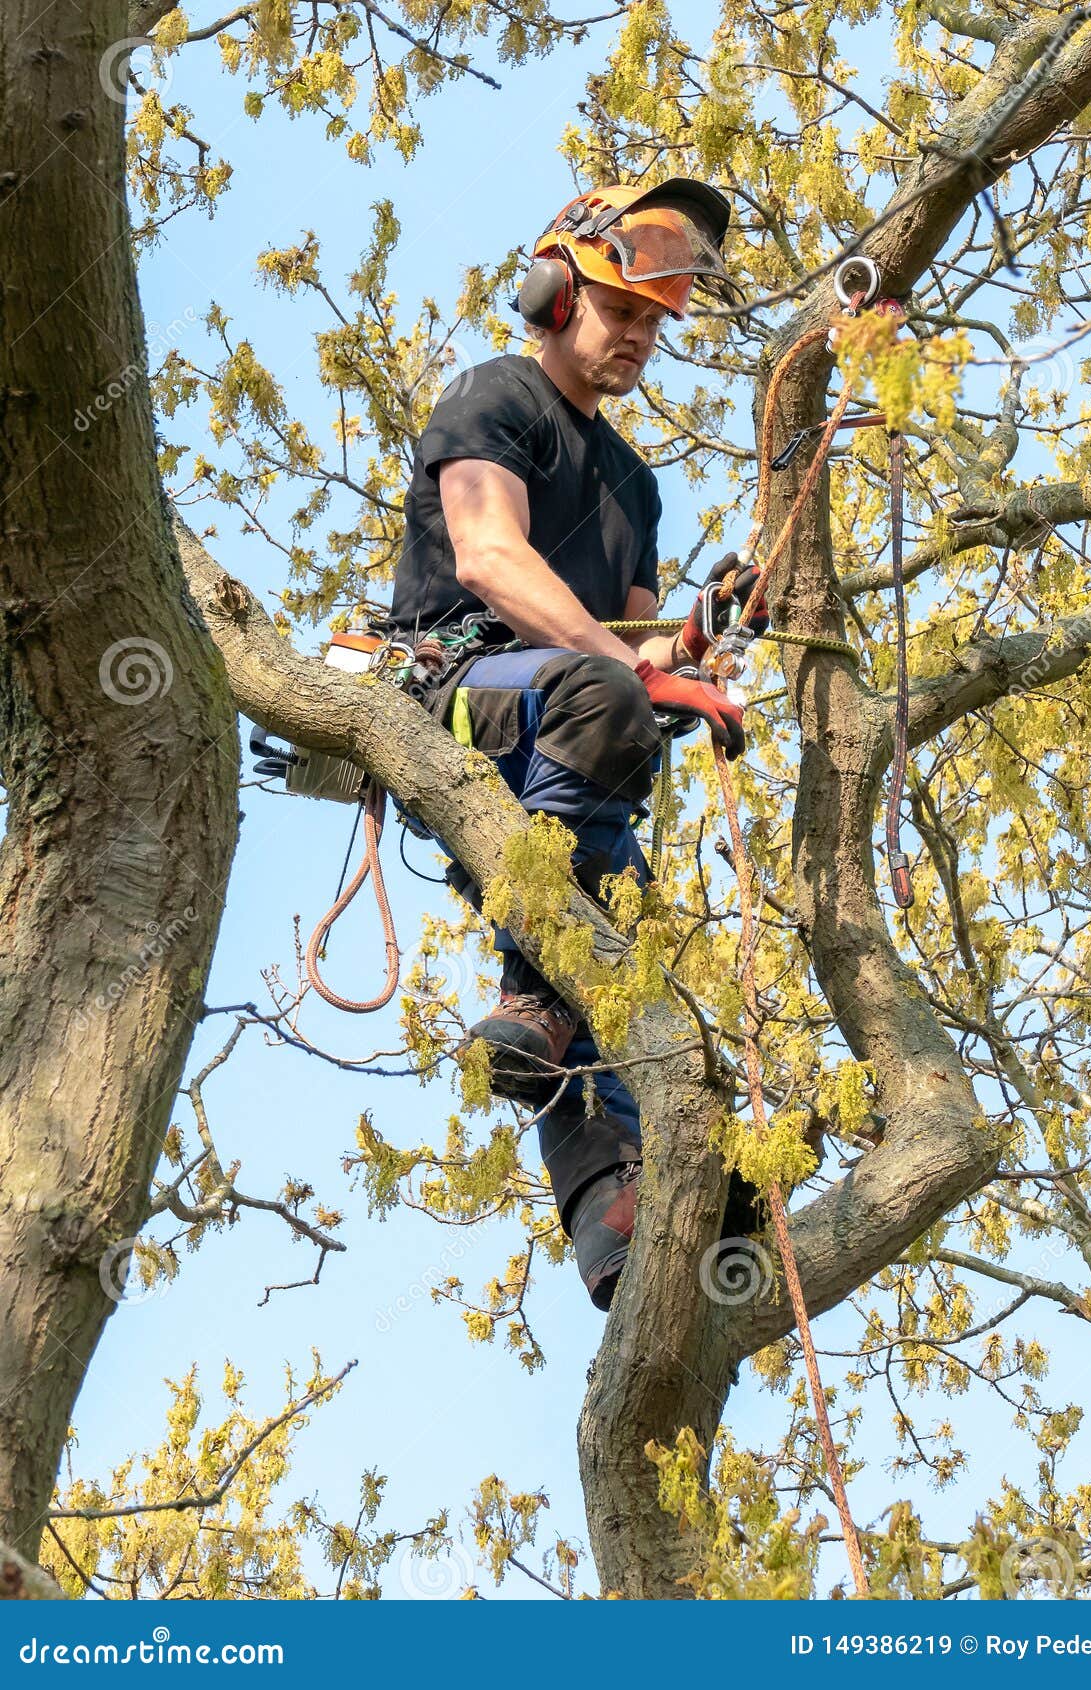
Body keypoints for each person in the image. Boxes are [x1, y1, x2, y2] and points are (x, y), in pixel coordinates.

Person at [382, 179, 765, 1309]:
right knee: (602, 691)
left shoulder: (635, 487)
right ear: (554, 296)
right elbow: (493, 558)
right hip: (460, 693)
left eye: (654, 324)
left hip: (573, 735)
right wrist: (637, 670)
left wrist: (690, 650)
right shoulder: (494, 398)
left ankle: (628, 1217)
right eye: (619, 314)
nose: (639, 340)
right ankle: (529, 983)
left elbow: (639, 650)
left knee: (646, 970)